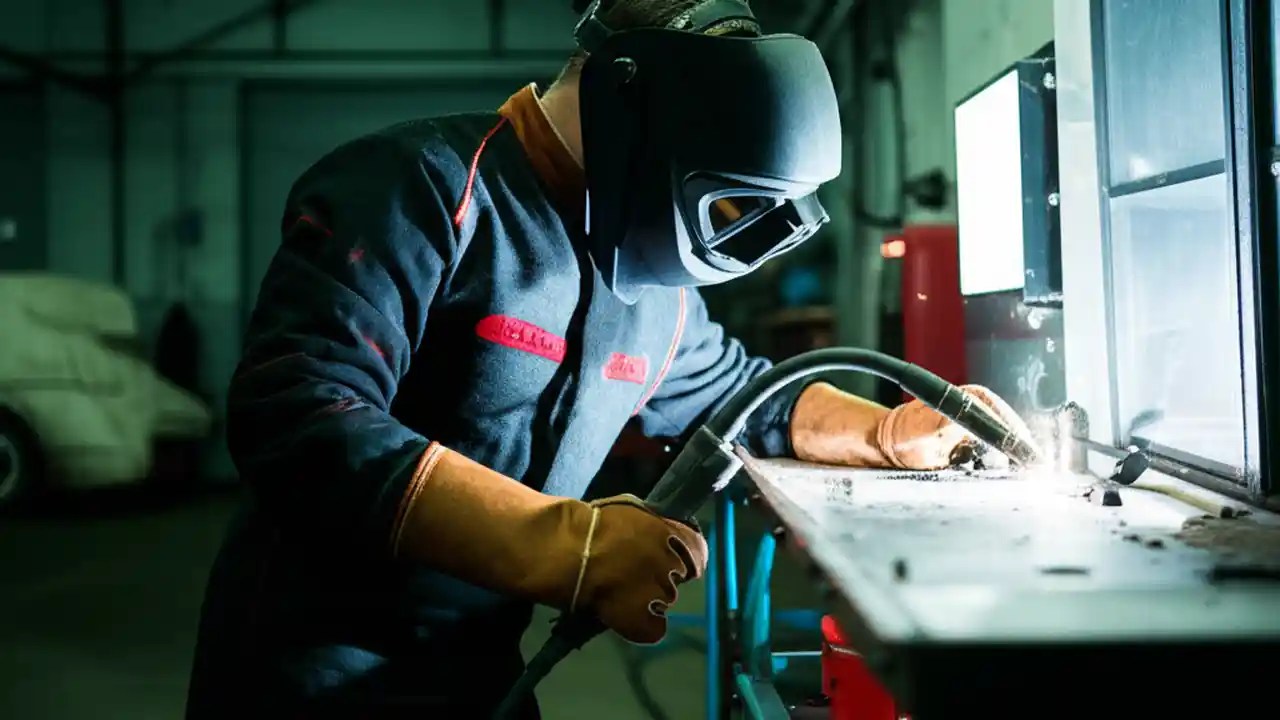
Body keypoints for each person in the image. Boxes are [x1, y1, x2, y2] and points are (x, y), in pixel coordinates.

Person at [185, 1, 1029, 717]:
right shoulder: (424, 190)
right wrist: (568, 547)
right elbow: (296, 414)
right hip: (310, 671)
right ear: (631, 110)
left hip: (482, 672)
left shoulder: (650, 286)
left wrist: (890, 431)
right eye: (724, 196)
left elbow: (743, 400)